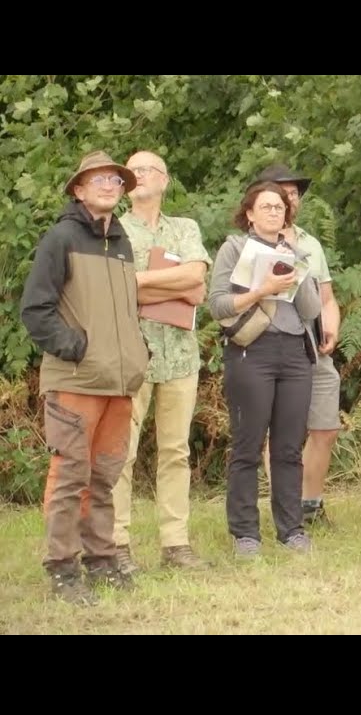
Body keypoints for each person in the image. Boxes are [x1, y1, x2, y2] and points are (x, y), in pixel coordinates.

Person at [21, 150, 150, 604]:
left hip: (119, 383)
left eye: (116, 180)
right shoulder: (60, 238)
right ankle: (62, 569)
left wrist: (137, 352)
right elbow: (35, 310)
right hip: (76, 381)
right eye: (98, 179)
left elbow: (127, 311)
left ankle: (100, 561)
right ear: (78, 189)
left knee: (105, 476)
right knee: (70, 476)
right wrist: (77, 348)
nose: (109, 186)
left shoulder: (124, 243)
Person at [208, 181, 323, 556]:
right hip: (251, 351)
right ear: (250, 213)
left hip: (294, 352)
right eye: (267, 207)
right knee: (248, 444)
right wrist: (263, 289)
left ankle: (291, 528)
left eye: (280, 208)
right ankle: (245, 533)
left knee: (289, 446)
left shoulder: (296, 250)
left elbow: (311, 310)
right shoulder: (234, 248)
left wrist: (297, 268)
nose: (275, 212)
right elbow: (218, 306)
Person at [111, 151, 211, 574]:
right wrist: (171, 285)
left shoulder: (184, 227)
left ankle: (176, 545)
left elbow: (197, 284)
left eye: (148, 168)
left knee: (176, 452)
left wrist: (140, 282)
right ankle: (116, 545)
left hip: (181, 358)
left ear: (165, 180)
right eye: (132, 170)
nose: (139, 174)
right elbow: (116, 290)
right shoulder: (113, 229)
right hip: (131, 355)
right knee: (122, 455)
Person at [254, 164, 342, 525]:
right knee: (280, 431)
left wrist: (331, 327)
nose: (290, 199)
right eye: (282, 192)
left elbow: (327, 298)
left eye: (295, 193)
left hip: (311, 344)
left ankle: (311, 504)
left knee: (325, 427)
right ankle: (284, 508)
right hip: (270, 344)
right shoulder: (251, 241)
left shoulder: (311, 243)